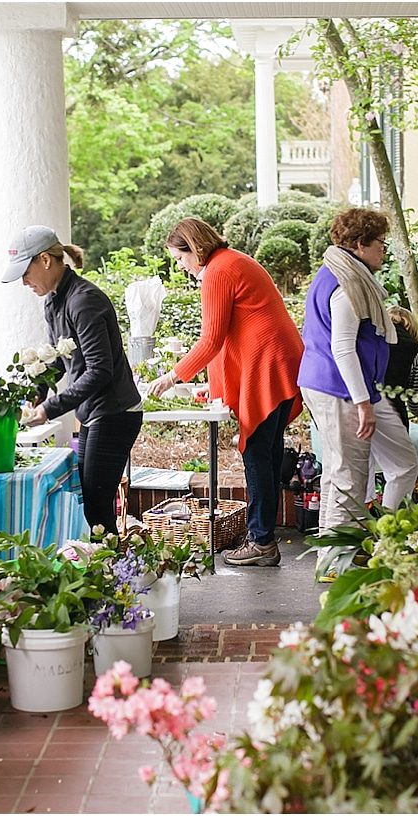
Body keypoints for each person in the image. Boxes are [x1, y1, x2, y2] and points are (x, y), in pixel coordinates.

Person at [146, 217, 304, 567]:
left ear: (195, 248)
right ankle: (263, 537)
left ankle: (261, 541)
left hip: (267, 367)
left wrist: (171, 378)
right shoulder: (233, 261)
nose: (180, 266)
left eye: (180, 258)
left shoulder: (218, 271)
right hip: (279, 362)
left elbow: (211, 340)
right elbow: (235, 332)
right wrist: (215, 384)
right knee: (268, 454)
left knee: (257, 455)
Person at [4, 225, 142, 535]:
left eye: (25, 272)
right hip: (95, 412)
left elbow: (99, 370)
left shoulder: (84, 301)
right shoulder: (55, 301)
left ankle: (113, 565)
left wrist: (50, 408)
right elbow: (58, 358)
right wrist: (36, 393)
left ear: (45, 260)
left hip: (116, 413)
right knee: (90, 505)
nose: (23, 281)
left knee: (97, 508)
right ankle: (106, 563)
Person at [297, 207, 415, 532]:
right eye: (380, 243)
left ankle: (384, 536)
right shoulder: (346, 284)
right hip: (341, 389)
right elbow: (343, 347)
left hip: (357, 387)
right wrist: (363, 404)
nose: (384, 250)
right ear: (360, 244)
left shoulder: (346, 273)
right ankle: (336, 556)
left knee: (402, 463)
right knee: (347, 476)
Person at [366, 306, 418, 509]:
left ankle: (359, 519)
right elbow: (415, 403)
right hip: (388, 411)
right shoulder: (414, 350)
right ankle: (391, 521)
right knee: (403, 469)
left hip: (353, 403)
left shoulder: (370, 337)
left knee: (361, 467)